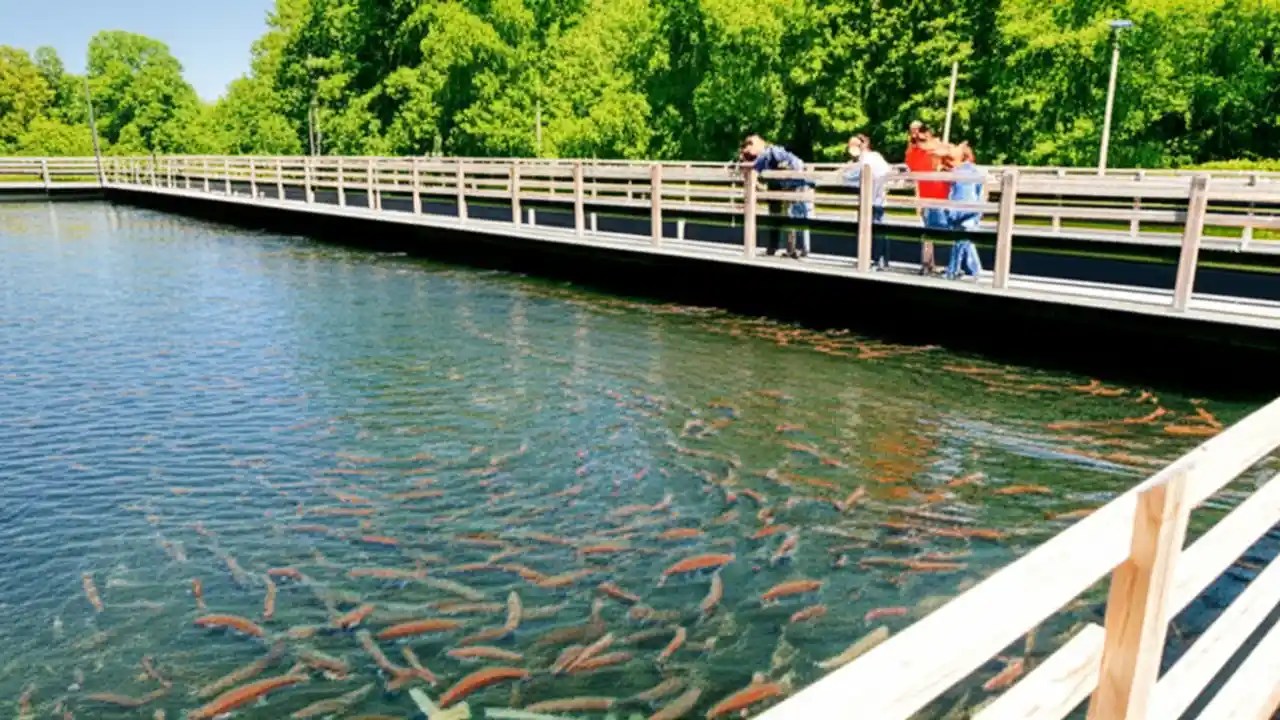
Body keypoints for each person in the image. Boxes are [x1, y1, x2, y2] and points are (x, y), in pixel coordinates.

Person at [739, 134, 814, 259]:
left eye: (749, 150)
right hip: (781, 185)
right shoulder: (766, 155)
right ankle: (787, 248)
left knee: (794, 215)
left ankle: (796, 249)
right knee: (787, 216)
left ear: (754, 144)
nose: (751, 154)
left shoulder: (771, 152)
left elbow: (791, 164)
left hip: (792, 184)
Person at [842, 134, 893, 269]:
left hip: (870, 200)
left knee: (870, 231)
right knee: (880, 230)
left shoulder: (865, 160)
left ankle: (872, 260)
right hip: (880, 198)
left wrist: (846, 169)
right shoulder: (877, 156)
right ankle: (883, 260)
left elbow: (849, 177)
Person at [904, 121, 949, 274]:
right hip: (928, 193)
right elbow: (912, 167)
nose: (916, 134)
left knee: (932, 231)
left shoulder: (933, 146)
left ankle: (929, 263)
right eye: (913, 131)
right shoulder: (914, 151)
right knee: (929, 230)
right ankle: (927, 263)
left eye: (918, 131)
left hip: (938, 193)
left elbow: (945, 153)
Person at [943, 142, 984, 280]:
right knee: (965, 241)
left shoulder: (956, 172)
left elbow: (952, 193)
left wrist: (949, 210)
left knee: (961, 241)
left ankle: (956, 270)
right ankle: (961, 269)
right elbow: (979, 192)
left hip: (959, 210)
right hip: (972, 210)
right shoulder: (977, 172)